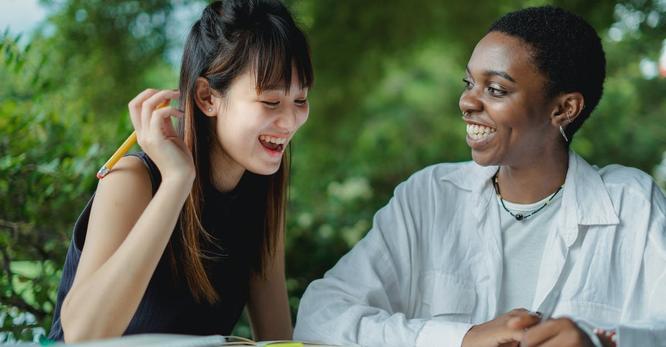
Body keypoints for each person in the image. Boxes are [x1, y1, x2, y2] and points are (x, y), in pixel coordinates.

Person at [294, 6, 665, 347]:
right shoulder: (430, 197)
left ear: (564, 108)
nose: (468, 102)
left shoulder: (631, 204)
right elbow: (321, 316)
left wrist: (600, 342)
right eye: (468, 83)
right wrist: (463, 338)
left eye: (496, 89)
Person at [48, 0, 313, 342]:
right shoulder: (133, 180)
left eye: (301, 100)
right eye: (271, 102)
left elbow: (277, 337)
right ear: (207, 98)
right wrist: (176, 182)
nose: (290, 121)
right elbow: (83, 335)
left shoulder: (261, 189)